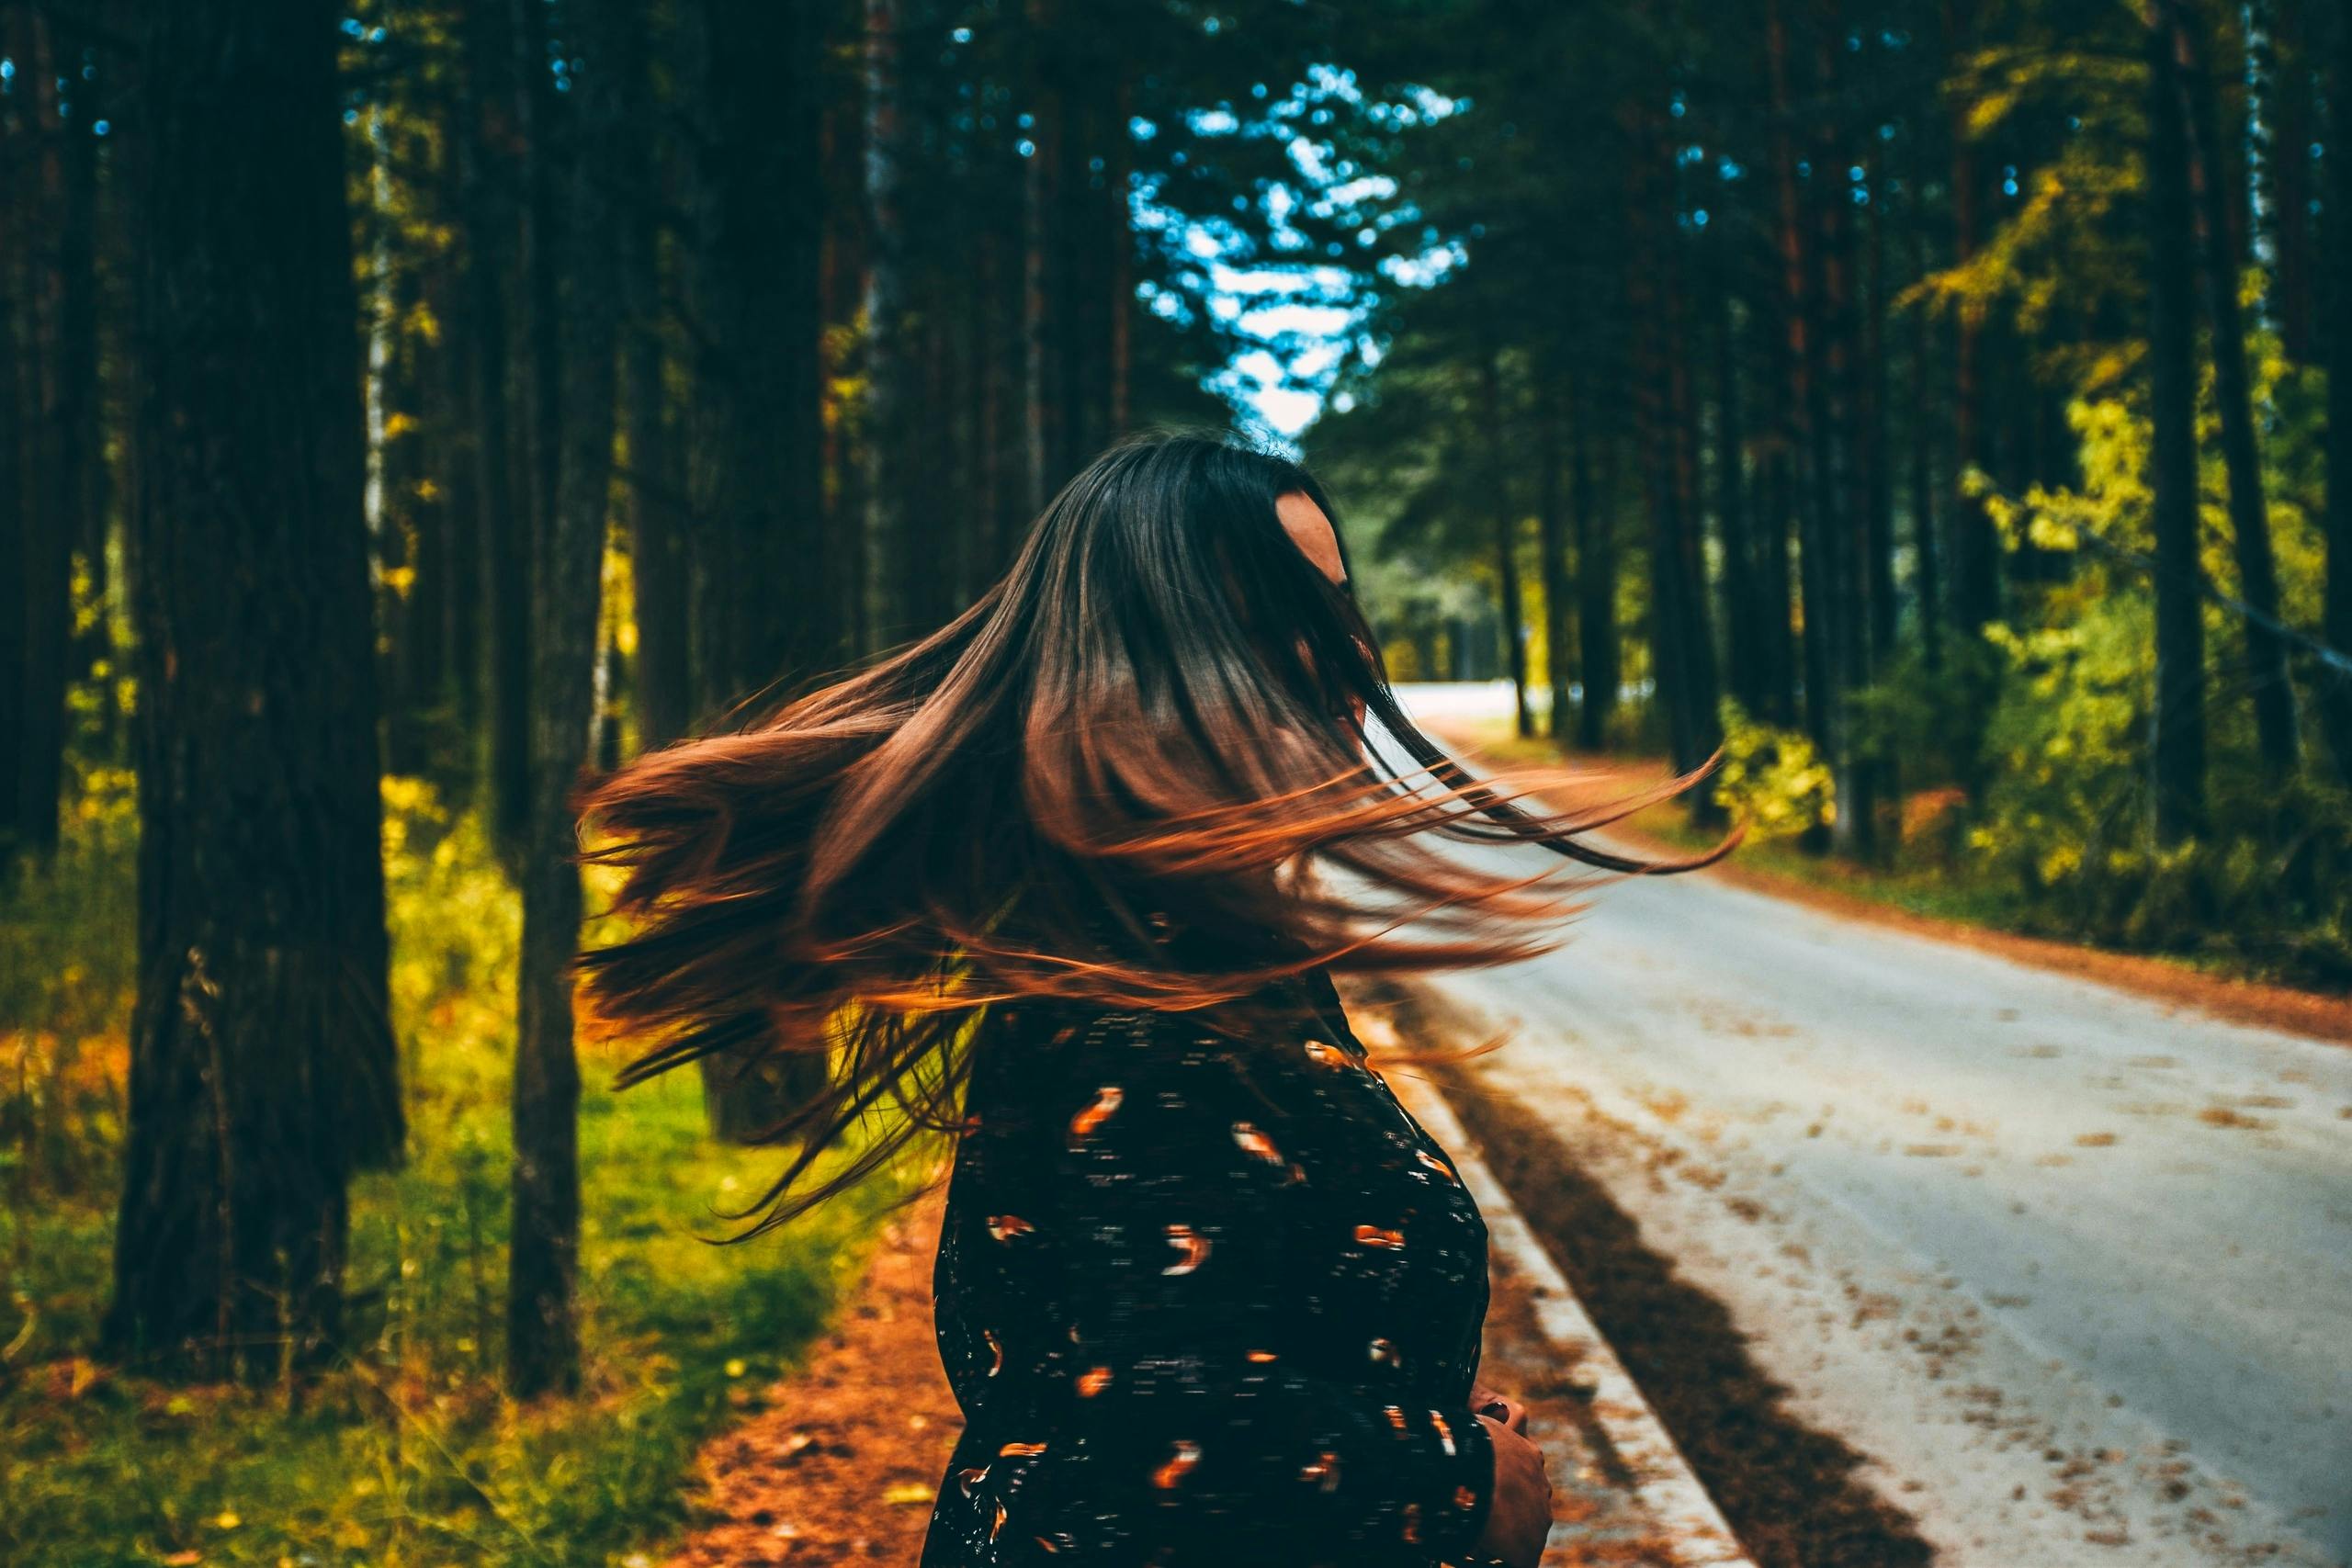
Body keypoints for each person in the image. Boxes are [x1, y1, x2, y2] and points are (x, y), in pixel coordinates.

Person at [572, 430, 1713, 1567]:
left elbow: (1209, 1362)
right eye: (1292, 609)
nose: (1346, 648)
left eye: (1339, 603)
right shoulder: (1152, 1004)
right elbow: (1178, 1451)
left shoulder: (1188, 949)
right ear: (1162, 653)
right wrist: (1463, 1486)